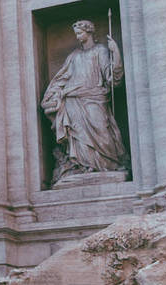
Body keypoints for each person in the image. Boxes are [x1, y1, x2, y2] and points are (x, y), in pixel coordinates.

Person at [41, 20, 127, 182]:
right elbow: (62, 78)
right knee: (78, 134)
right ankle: (82, 165)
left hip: (95, 97)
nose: (78, 36)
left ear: (89, 32)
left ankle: (109, 164)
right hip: (74, 100)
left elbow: (111, 77)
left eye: (80, 33)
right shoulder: (74, 56)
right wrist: (54, 94)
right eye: (76, 34)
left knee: (102, 130)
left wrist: (115, 53)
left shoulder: (100, 51)